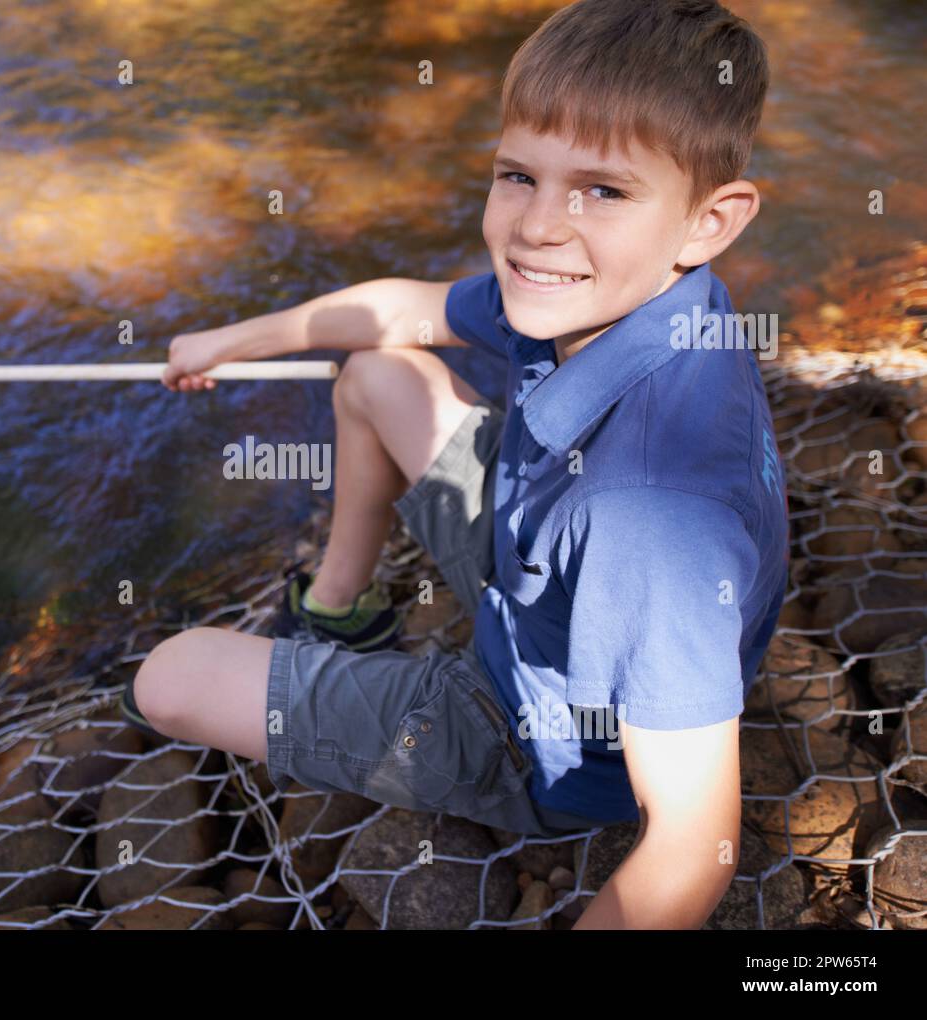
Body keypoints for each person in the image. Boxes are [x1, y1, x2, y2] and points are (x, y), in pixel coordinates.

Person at [125, 0, 788, 929]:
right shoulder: (627, 297)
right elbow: (406, 311)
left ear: (710, 222)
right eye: (519, 174)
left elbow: (691, 845)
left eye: (602, 190)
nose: (538, 227)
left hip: (533, 737)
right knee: (380, 375)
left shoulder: (649, 519)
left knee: (171, 678)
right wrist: (231, 341)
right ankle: (339, 611)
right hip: (545, 567)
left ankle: (431, 713)